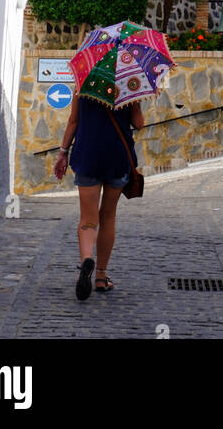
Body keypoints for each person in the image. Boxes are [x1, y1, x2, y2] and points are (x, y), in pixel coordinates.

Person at [53, 93, 144, 300]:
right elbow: (138, 124)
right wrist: (135, 102)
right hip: (117, 157)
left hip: (88, 155)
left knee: (88, 218)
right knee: (108, 216)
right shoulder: (128, 82)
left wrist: (63, 153)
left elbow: (73, 120)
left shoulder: (84, 81)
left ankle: (86, 260)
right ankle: (101, 276)